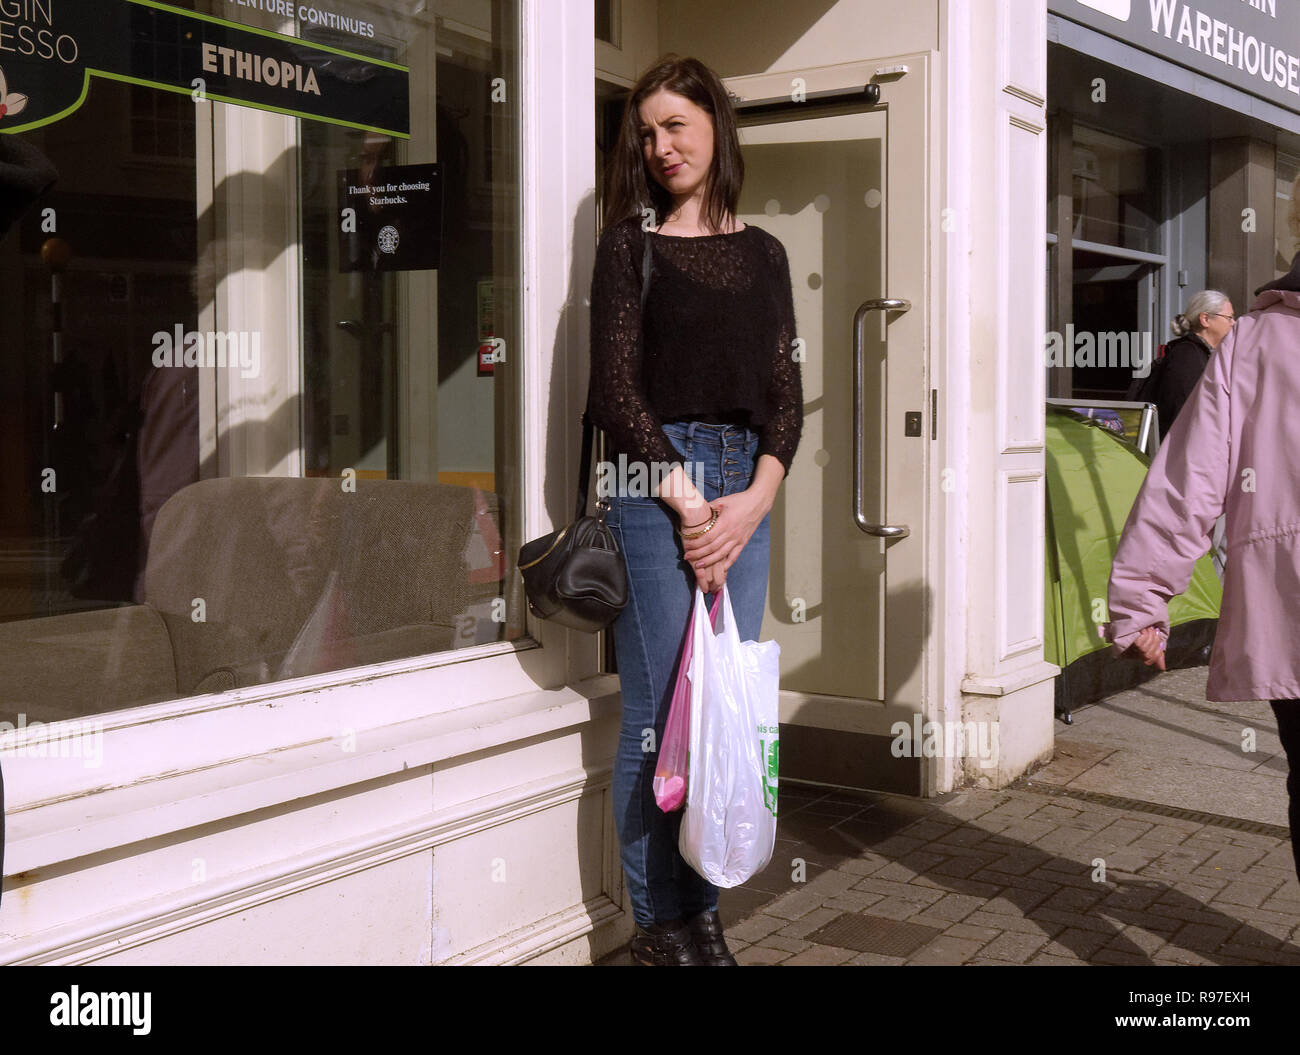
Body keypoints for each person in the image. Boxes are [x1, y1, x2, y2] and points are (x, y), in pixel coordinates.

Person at [587, 55, 802, 965]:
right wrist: (688, 506)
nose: (660, 145)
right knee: (654, 713)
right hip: (653, 485)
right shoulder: (628, 246)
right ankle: (655, 926)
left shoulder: (766, 253)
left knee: (719, 711)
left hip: (742, 486)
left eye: (676, 123)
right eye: (646, 131)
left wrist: (751, 501)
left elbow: (788, 395)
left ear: (716, 123)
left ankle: (703, 910)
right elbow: (615, 391)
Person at [1105, 190, 1300, 886]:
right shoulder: (1248, 340)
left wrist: (1140, 599)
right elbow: (1191, 476)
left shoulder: (1252, 340)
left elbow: (1189, 479)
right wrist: (1141, 595)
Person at [1154, 290, 1234, 434]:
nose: (1233, 324)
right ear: (1205, 319)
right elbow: (1183, 412)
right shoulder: (1186, 356)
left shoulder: (1205, 354)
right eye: (1229, 318)